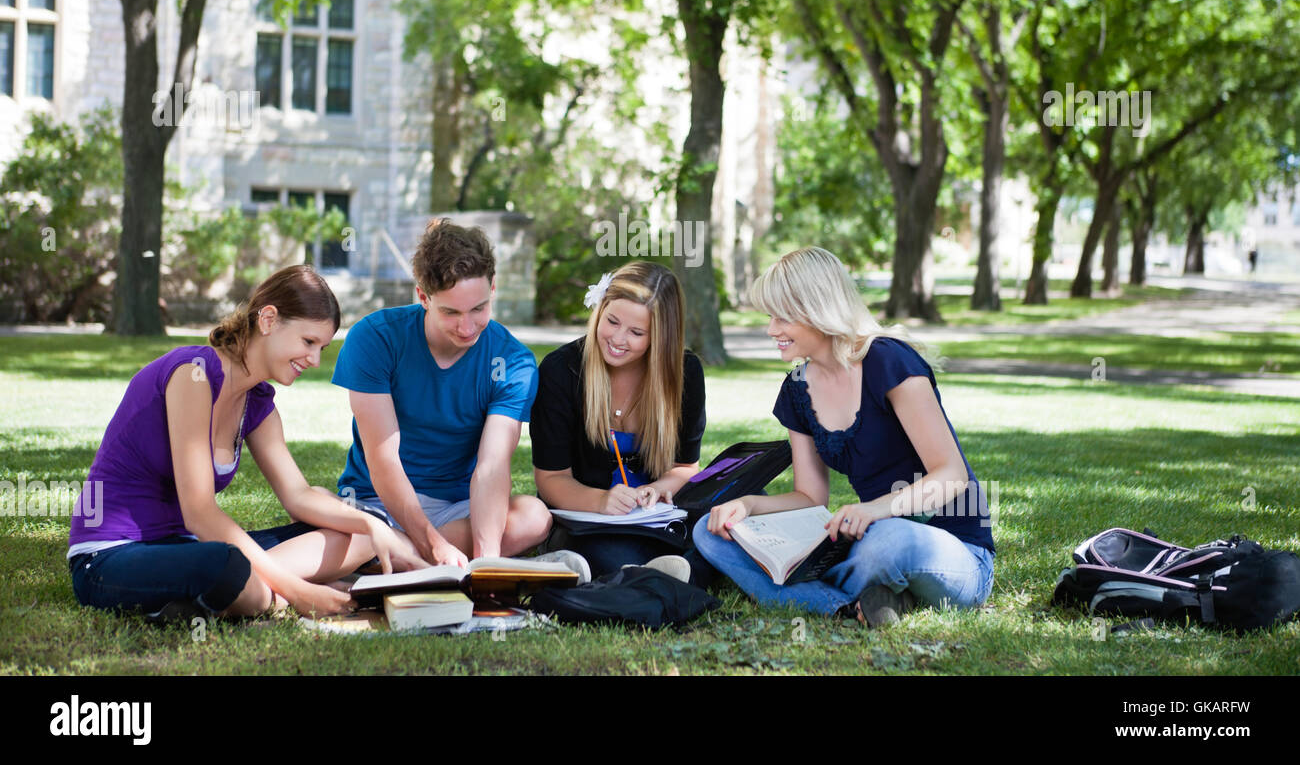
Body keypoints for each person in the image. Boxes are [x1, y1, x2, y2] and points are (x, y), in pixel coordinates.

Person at [68, 266, 424, 621]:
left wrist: (371, 526)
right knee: (232, 569)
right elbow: (200, 514)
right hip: (112, 555)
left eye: (322, 347)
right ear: (268, 319)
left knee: (354, 535)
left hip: (186, 549)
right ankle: (261, 592)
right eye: (308, 342)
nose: (315, 360)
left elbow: (298, 496)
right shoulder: (193, 374)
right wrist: (297, 591)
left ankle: (222, 596)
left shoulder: (258, 404)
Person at [692, 247, 995, 626]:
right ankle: (856, 604)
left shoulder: (889, 361)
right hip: (867, 539)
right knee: (709, 532)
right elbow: (810, 497)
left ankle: (818, 591)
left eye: (782, 317)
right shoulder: (796, 390)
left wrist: (872, 510)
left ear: (817, 310)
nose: (771, 330)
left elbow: (951, 475)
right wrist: (749, 506)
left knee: (889, 543)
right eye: (769, 317)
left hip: (951, 552)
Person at [334, 220, 553, 569]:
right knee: (347, 535)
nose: (467, 328)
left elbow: (492, 466)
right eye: (451, 312)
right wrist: (432, 543)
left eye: (478, 309)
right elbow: (384, 462)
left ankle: (387, 559)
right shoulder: (375, 338)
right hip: (379, 501)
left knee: (534, 517)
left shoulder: (513, 360)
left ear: (493, 288)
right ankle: (396, 553)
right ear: (423, 296)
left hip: (459, 507)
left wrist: (488, 563)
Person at [530, 262, 707, 583]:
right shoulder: (561, 371)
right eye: (611, 321)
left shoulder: (686, 373)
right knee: (612, 552)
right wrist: (601, 501)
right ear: (600, 310)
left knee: (741, 506)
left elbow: (685, 467)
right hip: (590, 517)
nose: (617, 339)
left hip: (655, 516)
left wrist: (657, 489)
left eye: (636, 333)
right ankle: (658, 572)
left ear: (660, 338)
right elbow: (551, 478)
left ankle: (655, 571)